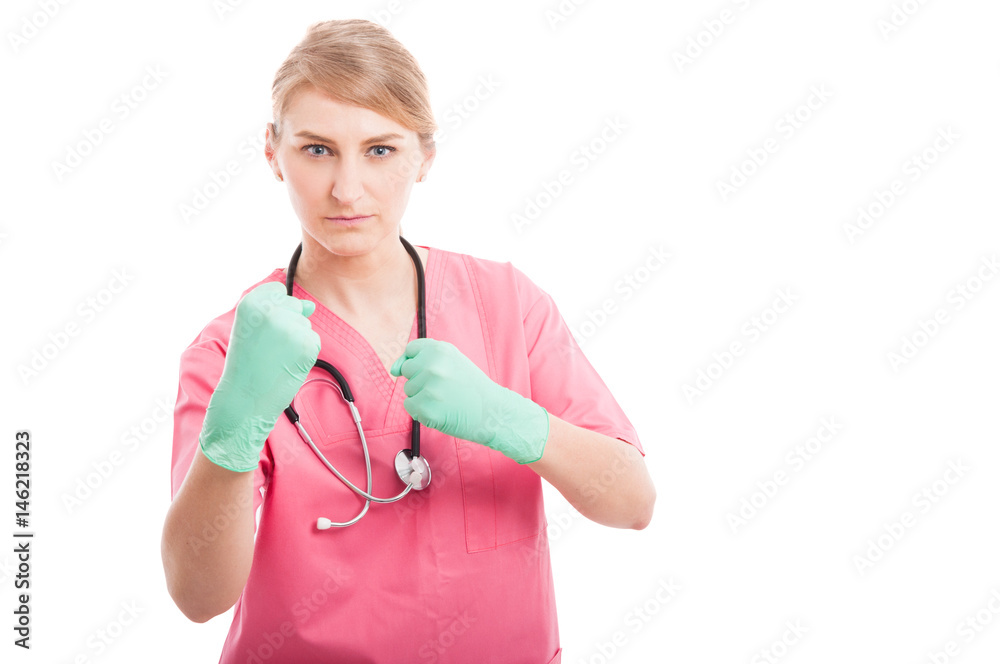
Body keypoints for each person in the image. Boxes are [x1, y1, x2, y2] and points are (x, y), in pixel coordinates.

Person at [161, 18, 655, 664]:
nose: (347, 189)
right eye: (316, 149)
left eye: (380, 150)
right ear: (271, 153)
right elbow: (197, 596)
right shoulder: (229, 352)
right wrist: (234, 432)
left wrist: (513, 421)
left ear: (425, 157)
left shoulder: (504, 305)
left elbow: (634, 500)